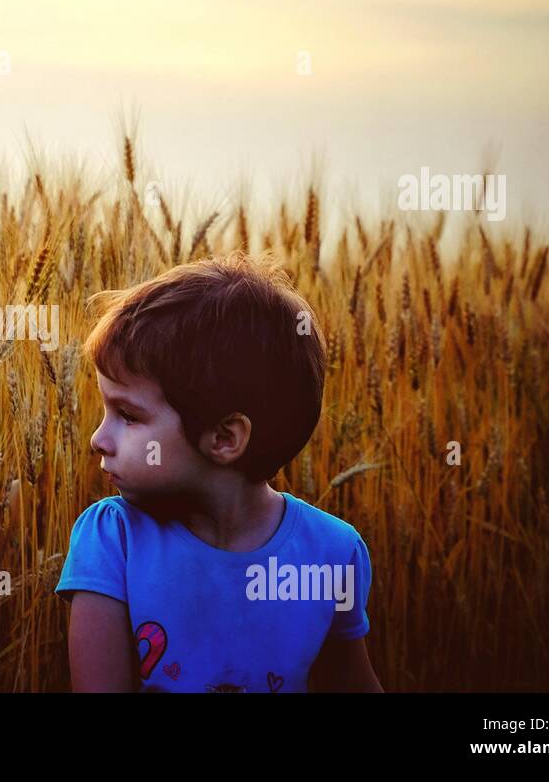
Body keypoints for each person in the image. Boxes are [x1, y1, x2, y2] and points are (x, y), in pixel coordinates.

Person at [55, 253, 383, 692]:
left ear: (225, 438)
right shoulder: (113, 541)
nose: (98, 438)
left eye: (128, 416)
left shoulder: (332, 554)